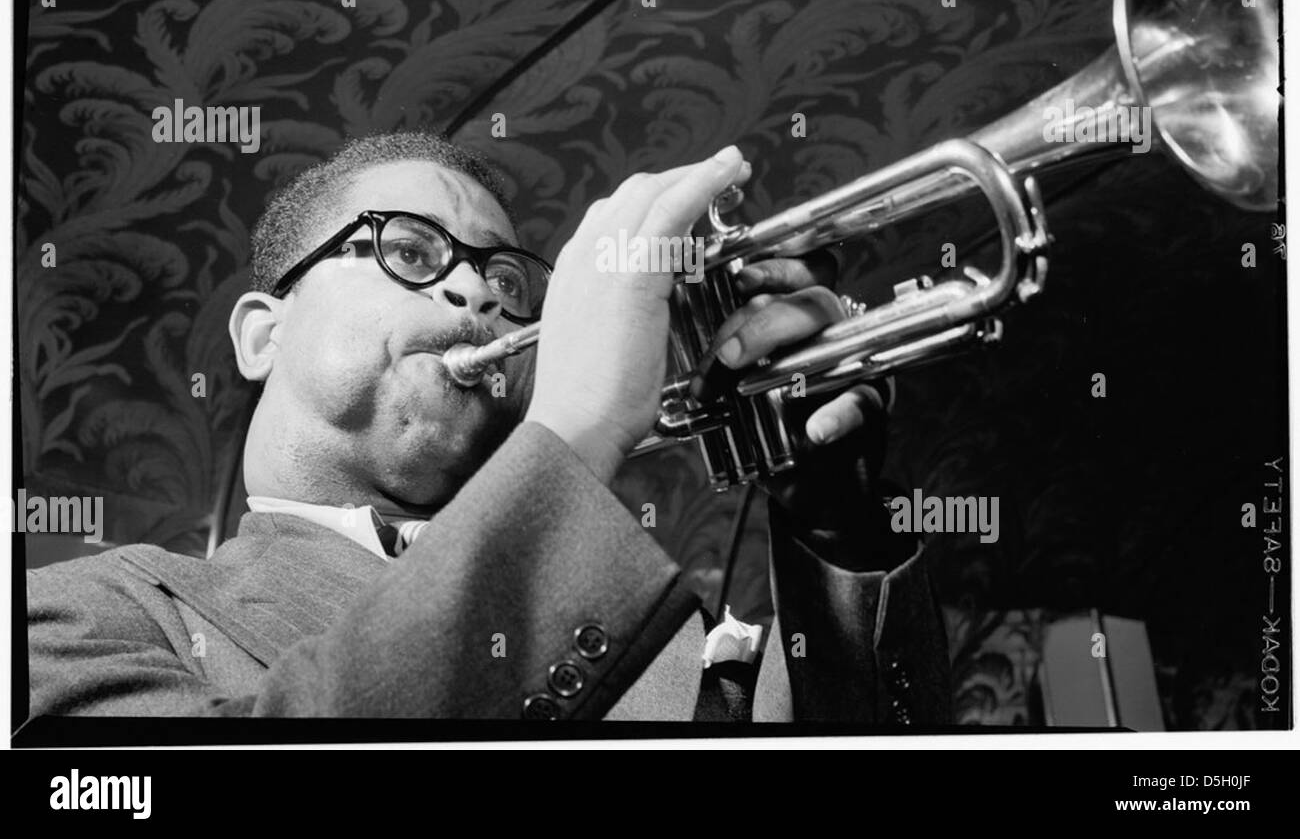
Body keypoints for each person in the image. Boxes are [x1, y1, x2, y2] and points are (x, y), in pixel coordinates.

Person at [26, 132, 951, 723]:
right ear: (264, 335)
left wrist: (837, 521)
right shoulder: (83, 616)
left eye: (508, 282)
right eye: (411, 252)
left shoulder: (671, 630)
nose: (478, 292)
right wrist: (577, 434)